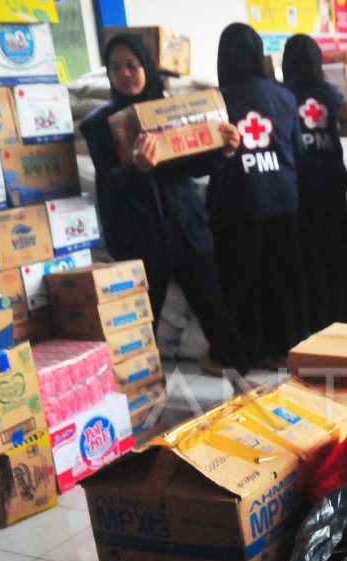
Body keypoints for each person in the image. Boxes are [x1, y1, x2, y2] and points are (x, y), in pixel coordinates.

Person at [80, 34, 250, 375]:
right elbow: (110, 182)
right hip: (137, 236)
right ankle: (141, 397)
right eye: (116, 68)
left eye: (132, 65)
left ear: (146, 66)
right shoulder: (99, 125)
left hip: (185, 227)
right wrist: (136, 169)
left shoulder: (167, 111)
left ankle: (241, 383)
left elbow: (192, 166)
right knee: (142, 322)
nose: (125, 74)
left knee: (213, 308)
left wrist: (224, 149)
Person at [208, 23, 309, 366]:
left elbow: (209, 160)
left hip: (240, 202)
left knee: (241, 284)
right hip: (283, 198)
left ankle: (245, 353)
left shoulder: (218, 101)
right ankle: (285, 349)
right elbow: (296, 149)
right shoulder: (284, 96)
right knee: (283, 281)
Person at [282, 33, 347, 328]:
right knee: (338, 258)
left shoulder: (285, 96)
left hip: (304, 188)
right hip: (333, 184)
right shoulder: (330, 94)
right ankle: (345, 319)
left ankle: (319, 324)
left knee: (310, 262)